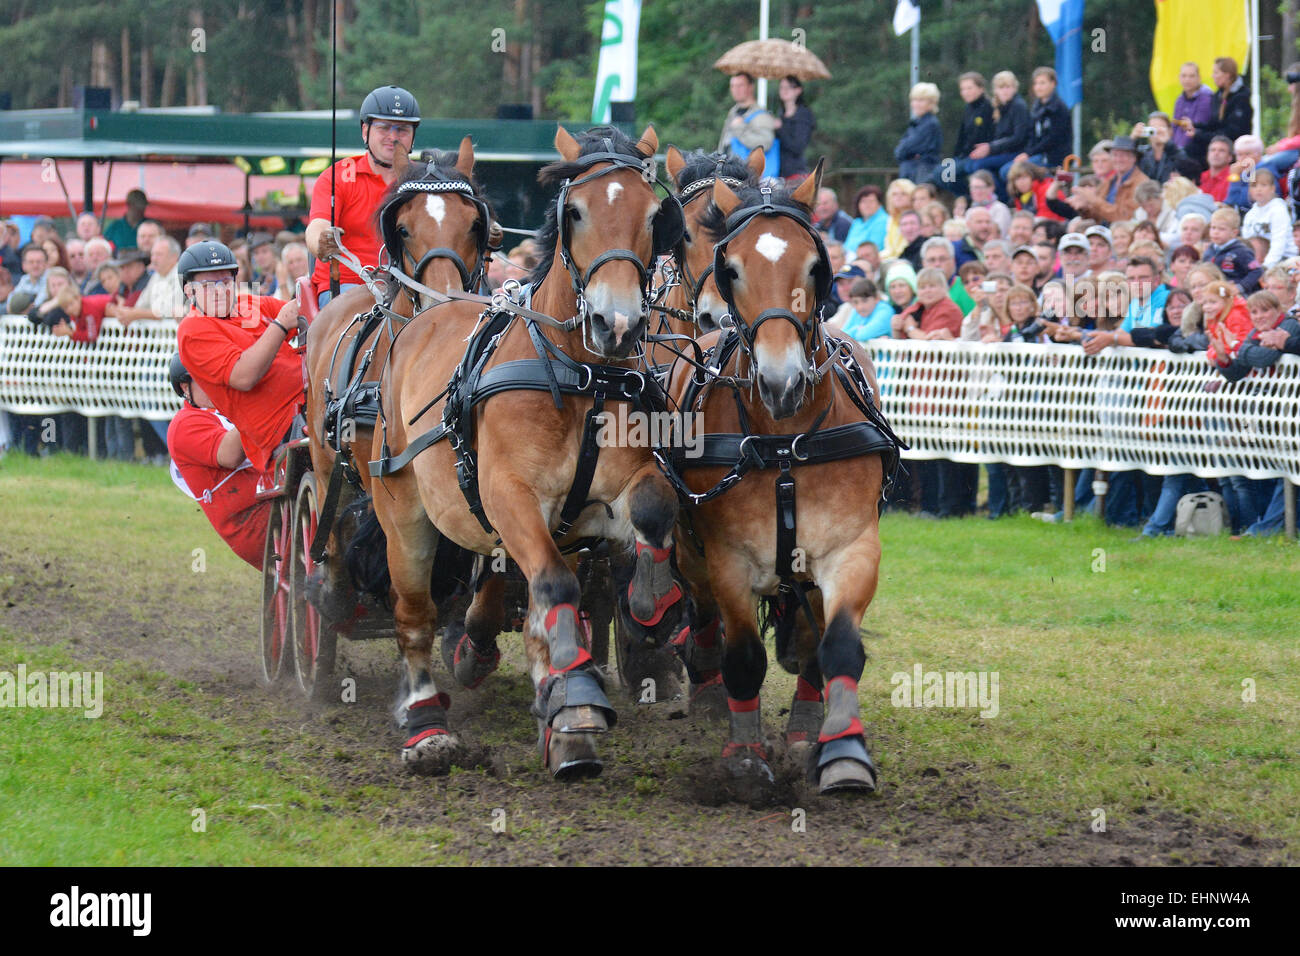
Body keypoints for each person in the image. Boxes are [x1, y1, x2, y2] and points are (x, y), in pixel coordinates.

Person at [175, 240, 305, 474]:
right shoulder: (193, 330)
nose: (219, 290)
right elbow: (244, 376)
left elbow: (302, 312)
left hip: (314, 393)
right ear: (189, 290)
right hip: (282, 423)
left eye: (225, 281)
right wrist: (280, 325)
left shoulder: (247, 305)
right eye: (207, 284)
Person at [306, 85, 421, 309]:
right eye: (384, 127)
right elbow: (317, 226)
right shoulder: (337, 176)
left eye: (403, 130)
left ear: (413, 136)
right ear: (365, 131)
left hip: (410, 287)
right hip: (349, 285)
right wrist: (321, 242)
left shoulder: (425, 181)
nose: (393, 137)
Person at [166, 354, 272, 570]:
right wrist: (258, 404)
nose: (215, 382)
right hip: (256, 522)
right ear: (185, 388)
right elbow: (230, 455)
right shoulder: (184, 424)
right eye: (204, 378)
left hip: (277, 499)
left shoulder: (225, 410)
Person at [964, 70, 1030, 200]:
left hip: (1016, 151)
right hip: (1003, 151)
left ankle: (1003, 197)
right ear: (995, 90)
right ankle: (972, 198)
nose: (1005, 91)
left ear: (1014, 88)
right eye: (1001, 87)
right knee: (970, 165)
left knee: (979, 166)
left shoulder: (1018, 106)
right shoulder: (1000, 107)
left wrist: (991, 147)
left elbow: (1019, 137)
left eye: (1008, 87)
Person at [1001, 67, 1072, 184]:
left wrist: (1029, 154)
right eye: (1036, 83)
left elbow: (1053, 139)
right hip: (1037, 154)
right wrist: (1026, 153)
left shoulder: (1059, 108)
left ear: (1053, 84)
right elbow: (1032, 135)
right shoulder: (1036, 107)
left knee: (1008, 172)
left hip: (1052, 157)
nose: (1038, 87)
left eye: (1042, 83)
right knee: (1004, 170)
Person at [1184, 57, 1253, 168]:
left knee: (1198, 151)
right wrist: (1195, 126)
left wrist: (1199, 134)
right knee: (1191, 148)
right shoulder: (1218, 95)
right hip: (1220, 138)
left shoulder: (1241, 98)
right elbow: (1215, 123)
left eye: (1216, 73)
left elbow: (1231, 132)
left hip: (1234, 146)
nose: (1212, 76)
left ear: (1227, 75)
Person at [936, 71, 995, 195]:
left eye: (969, 88)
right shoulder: (969, 108)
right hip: (964, 156)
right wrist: (956, 156)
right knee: (938, 172)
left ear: (981, 88)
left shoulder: (989, 107)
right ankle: (965, 197)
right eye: (963, 89)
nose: (965, 92)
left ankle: (968, 197)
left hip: (979, 156)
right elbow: (962, 137)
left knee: (947, 175)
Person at [1068, 136, 1148, 224]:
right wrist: (1084, 208)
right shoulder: (1110, 181)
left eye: (1123, 155)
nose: (1118, 159)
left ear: (1134, 158)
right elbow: (1097, 216)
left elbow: (1125, 217)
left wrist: (1093, 199)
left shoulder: (1141, 183)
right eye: (1115, 155)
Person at [719, 72, 778, 178]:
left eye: (740, 85)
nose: (736, 89)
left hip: (750, 178)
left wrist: (739, 129)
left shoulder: (761, 115)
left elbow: (765, 144)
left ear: (751, 87)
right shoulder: (733, 112)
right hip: (730, 174)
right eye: (733, 86)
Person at [1241, 169, 1298, 267]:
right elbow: (1247, 242)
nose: (1259, 189)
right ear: (1250, 190)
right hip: (1259, 259)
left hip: (1284, 258)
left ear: (1273, 188)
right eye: (1254, 186)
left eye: (1263, 185)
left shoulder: (1278, 209)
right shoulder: (1250, 214)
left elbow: (1279, 242)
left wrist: (1266, 266)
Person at [1203, 206, 1263, 294]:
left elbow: (1257, 271)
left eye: (1221, 229)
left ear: (1234, 233)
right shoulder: (1209, 251)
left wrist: (1241, 287)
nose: (1216, 232)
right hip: (1214, 293)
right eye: (1213, 228)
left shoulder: (1241, 252)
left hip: (1237, 295)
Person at [1258, 62, 1300, 180]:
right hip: (1294, 150)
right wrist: (1279, 145)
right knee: (1258, 163)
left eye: (1290, 84)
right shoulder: (1296, 107)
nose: (1288, 89)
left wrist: (1281, 147)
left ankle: (1272, 196)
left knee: (1264, 167)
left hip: (1296, 152)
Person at [895, 83, 942, 184]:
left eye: (921, 100)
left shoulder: (930, 124)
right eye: (914, 100)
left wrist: (904, 151)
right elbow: (900, 151)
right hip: (911, 170)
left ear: (931, 103)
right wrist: (904, 151)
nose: (916, 104)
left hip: (922, 172)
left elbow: (907, 148)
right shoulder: (917, 122)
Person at [773, 75, 814, 181]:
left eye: (789, 87)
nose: (784, 90)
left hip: (795, 173)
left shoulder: (803, 114)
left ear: (798, 90)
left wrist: (780, 129)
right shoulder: (780, 113)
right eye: (782, 87)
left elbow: (798, 146)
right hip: (779, 172)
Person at [1132, 112, 1188, 183]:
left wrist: (1167, 142)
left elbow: (1182, 165)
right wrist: (1133, 139)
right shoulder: (1142, 153)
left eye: (1161, 126)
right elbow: (1127, 158)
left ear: (1170, 130)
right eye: (1153, 127)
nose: (1157, 130)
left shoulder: (1178, 153)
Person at [832, 278, 893, 342]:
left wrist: (855, 331)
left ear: (876, 298)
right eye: (855, 302)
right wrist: (857, 329)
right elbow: (841, 336)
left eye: (864, 301)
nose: (860, 307)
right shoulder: (857, 311)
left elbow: (862, 335)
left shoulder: (885, 311)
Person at [1171, 62, 1214, 152]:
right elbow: (1175, 127)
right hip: (1178, 148)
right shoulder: (1179, 100)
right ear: (1179, 78)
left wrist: (1180, 151)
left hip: (1196, 150)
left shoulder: (1206, 98)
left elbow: (1198, 127)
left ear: (1199, 78)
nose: (1187, 80)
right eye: (1184, 76)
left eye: (1191, 76)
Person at [843, 185, 888, 259]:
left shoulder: (883, 221)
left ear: (879, 204)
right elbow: (847, 246)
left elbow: (874, 248)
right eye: (863, 201)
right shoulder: (857, 222)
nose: (867, 205)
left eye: (871, 201)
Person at [6, 243, 49, 311]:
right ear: (24, 265)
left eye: (39, 262)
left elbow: (37, 305)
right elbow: (11, 302)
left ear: (46, 264)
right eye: (31, 262)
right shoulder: (24, 279)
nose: (35, 265)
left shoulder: (51, 279)